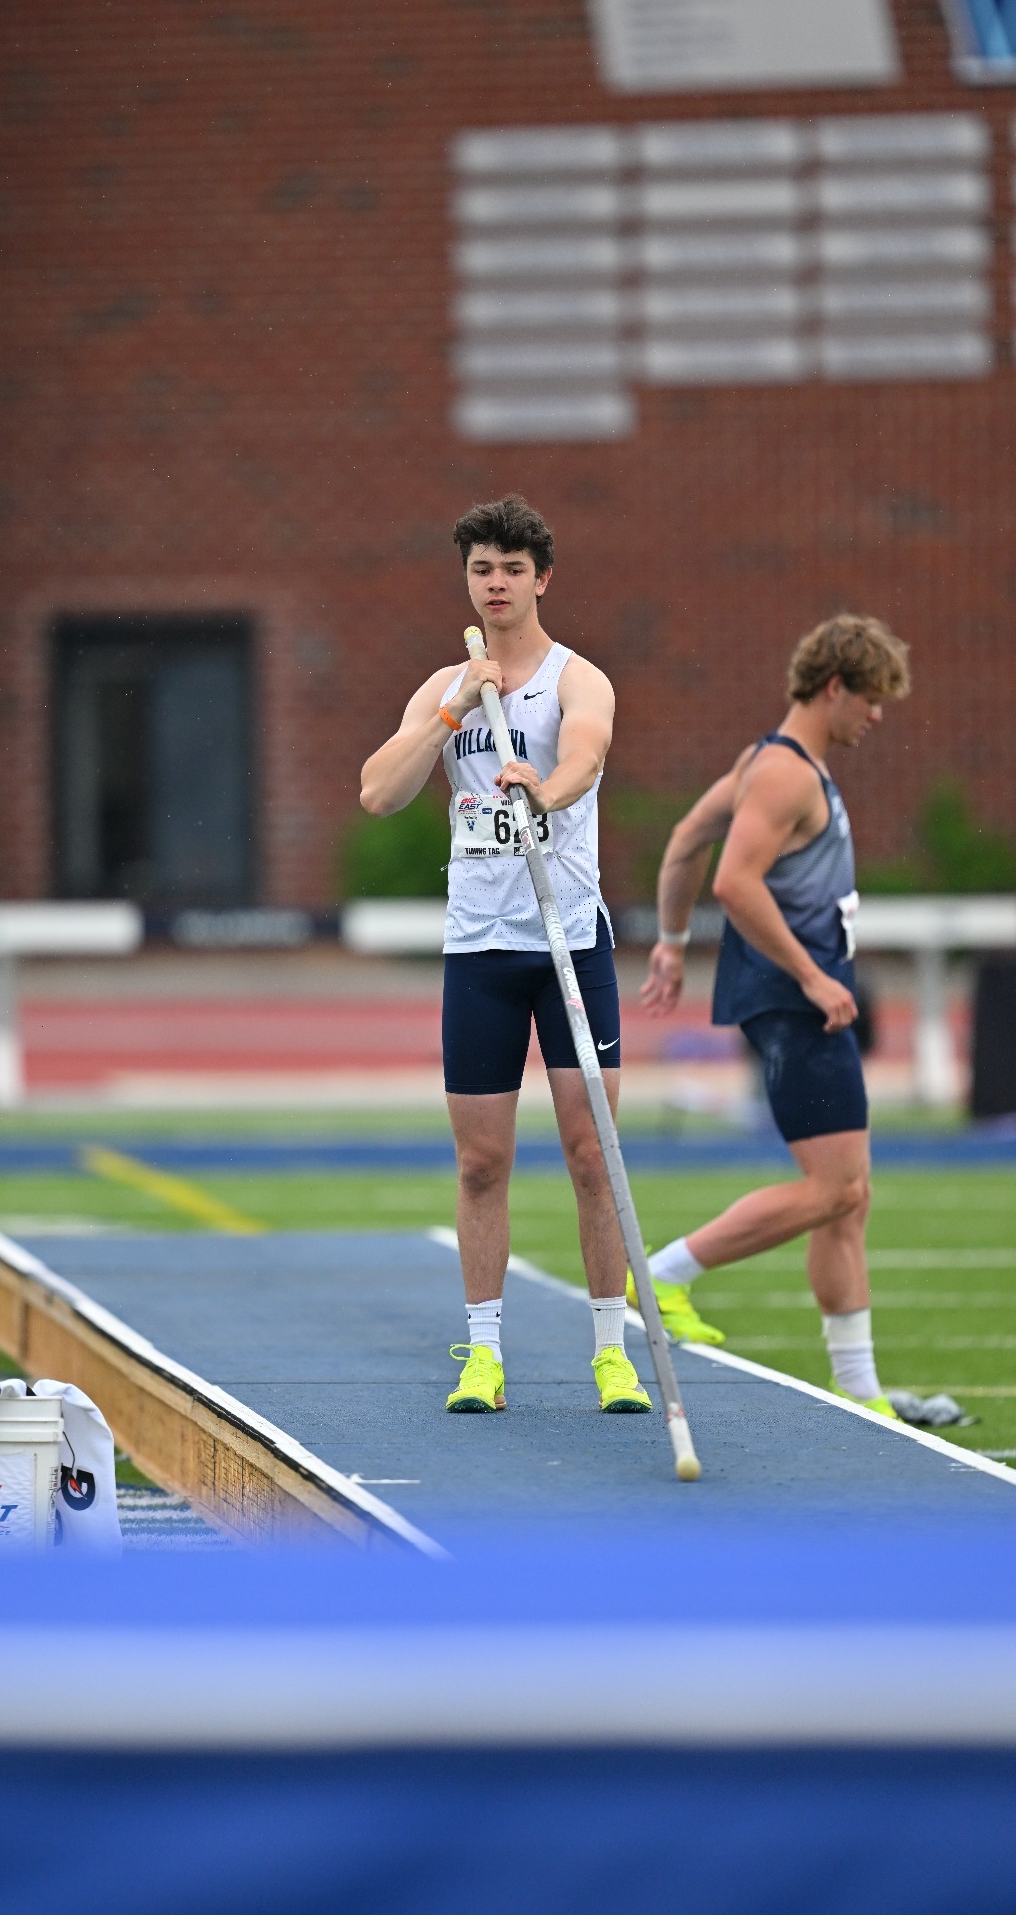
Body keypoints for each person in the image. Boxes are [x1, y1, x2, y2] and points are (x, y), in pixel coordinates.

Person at [360, 493, 650, 1418]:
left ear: (540, 579)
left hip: (568, 939)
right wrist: (446, 719)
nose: (495, 585)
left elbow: (589, 758)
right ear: (468, 580)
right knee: (481, 1161)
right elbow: (378, 793)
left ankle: (611, 1352)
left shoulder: (576, 679)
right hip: (481, 946)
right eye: (480, 570)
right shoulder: (447, 685)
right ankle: (482, 1351)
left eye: (511, 571)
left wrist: (543, 789)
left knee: (591, 1153)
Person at [637, 614, 911, 1415]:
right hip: (798, 1001)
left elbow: (688, 837)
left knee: (846, 1195)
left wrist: (670, 941)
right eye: (870, 698)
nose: (877, 715)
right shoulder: (787, 774)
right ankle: (660, 1277)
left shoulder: (764, 760)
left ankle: (861, 1391)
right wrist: (812, 978)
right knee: (832, 1188)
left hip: (794, 997)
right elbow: (733, 879)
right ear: (833, 688)